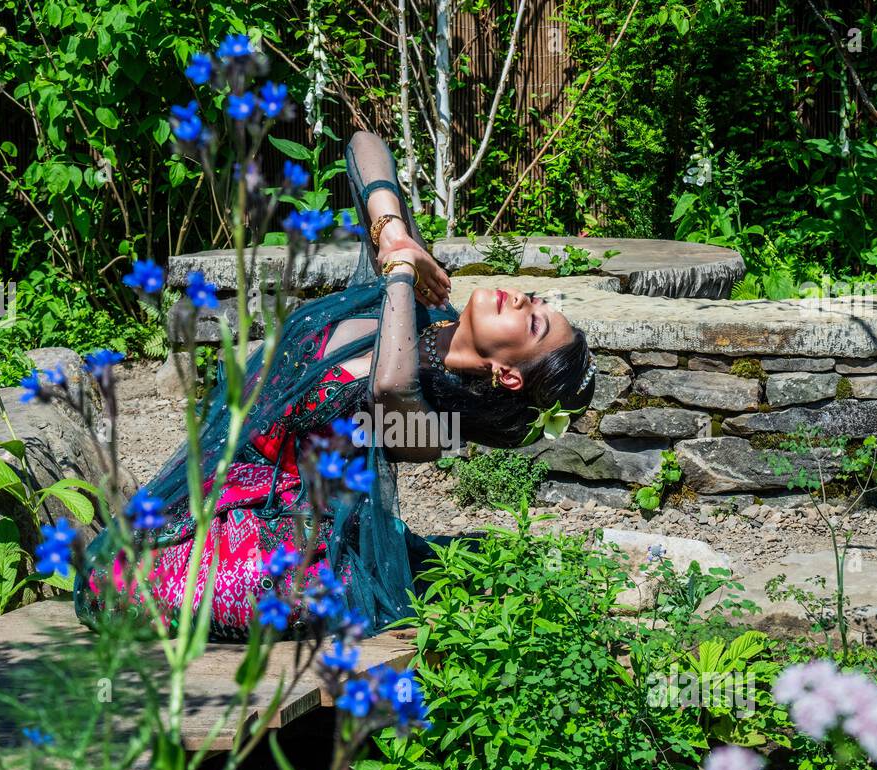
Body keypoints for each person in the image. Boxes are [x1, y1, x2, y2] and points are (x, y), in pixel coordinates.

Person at [76, 131, 597, 639]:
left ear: (507, 375)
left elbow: (391, 384)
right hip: (220, 492)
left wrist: (397, 268)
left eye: (534, 324)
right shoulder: (427, 303)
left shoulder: (433, 431)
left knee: (127, 587)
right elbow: (363, 143)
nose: (525, 301)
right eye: (536, 299)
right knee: (111, 574)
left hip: (281, 533)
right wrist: (391, 228)